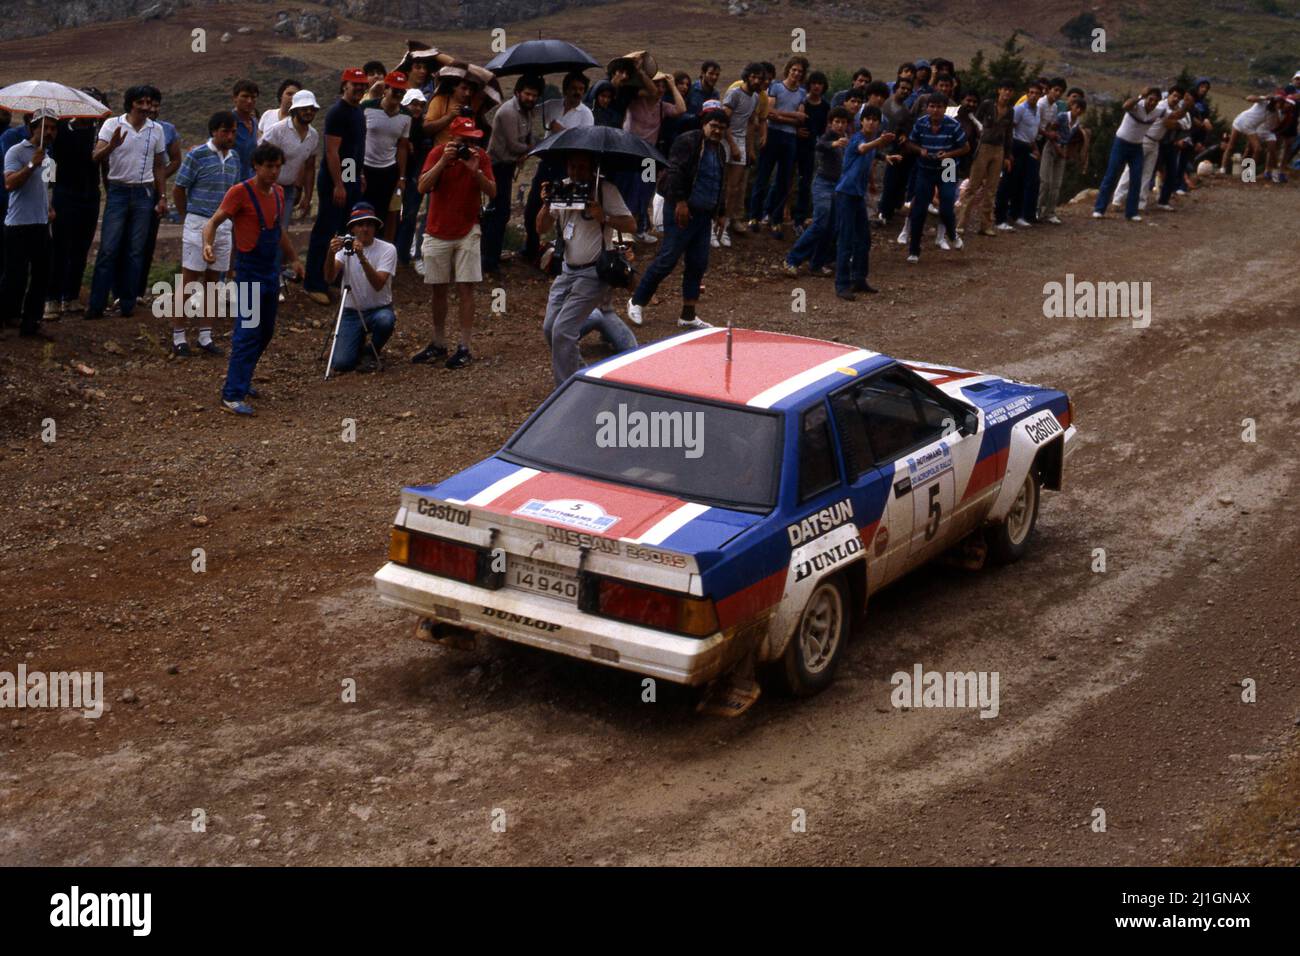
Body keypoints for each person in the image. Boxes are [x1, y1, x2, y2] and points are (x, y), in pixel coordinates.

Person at [202, 142, 304, 416]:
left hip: (271, 270)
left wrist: (293, 258)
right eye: (268, 166)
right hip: (248, 272)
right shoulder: (240, 193)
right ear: (256, 166)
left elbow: (279, 231)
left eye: (277, 166)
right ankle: (232, 394)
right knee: (248, 331)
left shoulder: (280, 193)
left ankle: (244, 380)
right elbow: (213, 222)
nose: (273, 172)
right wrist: (208, 245)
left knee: (265, 330)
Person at [537, 150, 637, 385]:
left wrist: (604, 217)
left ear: (593, 168)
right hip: (567, 269)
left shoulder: (605, 190)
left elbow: (631, 223)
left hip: (593, 272)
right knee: (550, 327)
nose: (576, 173)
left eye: (582, 168)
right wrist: (546, 204)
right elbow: (541, 228)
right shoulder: (562, 187)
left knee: (563, 330)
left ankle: (567, 387)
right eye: (572, 167)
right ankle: (581, 375)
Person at [625, 101, 728, 330]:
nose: (718, 130)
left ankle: (688, 314)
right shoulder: (689, 141)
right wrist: (680, 201)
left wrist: (721, 212)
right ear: (704, 124)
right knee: (668, 258)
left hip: (704, 214)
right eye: (714, 125)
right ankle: (637, 300)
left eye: (722, 127)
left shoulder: (720, 150)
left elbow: (720, 182)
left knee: (698, 263)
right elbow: (676, 172)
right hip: (681, 210)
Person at [412, 116, 496, 370]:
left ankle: (465, 346)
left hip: (467, 229)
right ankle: (438, 341)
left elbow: (493, 192)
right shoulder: (438, 153)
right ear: (452, 138)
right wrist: (443, 162)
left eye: (472, 141)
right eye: (463, 141)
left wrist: (476, 172)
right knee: (438, 288)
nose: (468, 146)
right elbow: (422, 187)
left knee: (465, 288)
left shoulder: (481, 158)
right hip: (438, 229)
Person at [85, 86, 168, 320]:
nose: (145, 107)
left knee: (135, 250)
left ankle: (127, 303)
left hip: (144, 193)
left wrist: (162, 196)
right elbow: (95, 156)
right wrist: (112, 146)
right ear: (131, 103)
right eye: (140, 102)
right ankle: (96, 305)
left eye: (148, 103)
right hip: (118, 191)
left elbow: (159, 164)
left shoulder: (157, 130)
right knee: (108, 248)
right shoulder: (113, 124)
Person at [172, 111, 240, 356]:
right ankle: (179, 335)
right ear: (214, 131)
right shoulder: (197, 155)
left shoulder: (234, 159)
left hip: (223, 224)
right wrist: (186, 216)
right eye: (225, 131)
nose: (230, 136)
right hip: (199, 220)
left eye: (233, 131)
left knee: (214, 281)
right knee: (190, 280)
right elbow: (179, 188)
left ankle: (205, 335)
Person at [304, 68, 369, 304]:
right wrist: (340, 184)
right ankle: (313, 283)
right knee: (326, 230)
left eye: (363, 85)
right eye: (355, 85)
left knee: (344, 230)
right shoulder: (337, 112)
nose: (359, 89)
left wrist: (356, 175)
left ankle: (331, 278)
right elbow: (332, 152)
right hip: (334, 181)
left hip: (349, 177)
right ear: (345, 85)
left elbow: (352, 150)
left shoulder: (357, 111)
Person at [1, 108, 58, 339]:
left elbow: (47, 188)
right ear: (32, 128)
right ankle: (4, 318)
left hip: (41, 224)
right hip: (18, 224)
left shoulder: (50, 158)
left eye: (54, 129)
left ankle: (31, 321)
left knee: (41, 275)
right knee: (14, 275)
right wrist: (32, 164)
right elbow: (10, 184)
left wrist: (50, 208)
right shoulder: (16, 151)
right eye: (46, 128)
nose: (50, 133)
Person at [44, 98, 102, 318]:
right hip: (64, 192)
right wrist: (48, 195)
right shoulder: (60, 128)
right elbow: (50, 161)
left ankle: (71, 297)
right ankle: (51, 298)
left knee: (81, 247)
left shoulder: (99, 134)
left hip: (90, 194)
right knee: (59, 247)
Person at [325, 202, 397, 373]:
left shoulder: (388, 249)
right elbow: (329, 278)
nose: (365, 229)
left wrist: (362, 258)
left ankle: (371, 350)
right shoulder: (345, 249)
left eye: (369, 224)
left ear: (375, 227)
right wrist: (330, 252)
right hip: (351, 312)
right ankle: (356, 342)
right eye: (360, 225)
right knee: (342, 364)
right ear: (352, 229)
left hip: (379, 308)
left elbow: (378, 284)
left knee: (386, 320)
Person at [480, 74, 541, 273]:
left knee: (498, 211)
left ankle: (491, 255)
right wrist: (532, 148)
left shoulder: (526, 111)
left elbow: (528, 136)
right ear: (517, 93)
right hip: (498, 165)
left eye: (534, 95)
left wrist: (528, 147)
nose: (531, 98)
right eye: (527, 94)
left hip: (507, 166)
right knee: (499, 212)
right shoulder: (508, 112)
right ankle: (489, 260)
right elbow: (515, 145)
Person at [833, 105, 895, 297]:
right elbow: (862, 148)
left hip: (858, 195)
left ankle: (859, 279)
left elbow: (872, 152)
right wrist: (879, 142)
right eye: (867, 118)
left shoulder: (870, 142)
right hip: (846, 194)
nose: (871, 122)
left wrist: (886, 156)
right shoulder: (857, 139)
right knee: (846, 240)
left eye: (875, 119)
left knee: (864, 239)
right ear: (861, 121)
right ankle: (842, 285)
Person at [783, 105, 851, 277]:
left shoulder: (848, 139)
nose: (840, 126)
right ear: (830, 123)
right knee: (820, 222)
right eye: (837, 122)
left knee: (832, 227)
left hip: (839, 186)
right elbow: (820, 145)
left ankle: (817, 263)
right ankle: (792, 260)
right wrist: (834, 143)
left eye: (843, 122)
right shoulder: (828, 137)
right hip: (823, 184)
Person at [903, 92, 968, 263]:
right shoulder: (920, 123)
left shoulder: (953, 125)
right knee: (919, 209)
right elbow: (910, 143)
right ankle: (914, 250)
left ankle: (952, 234)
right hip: (925, 168)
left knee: (946, 206)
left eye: (939, 107)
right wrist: (920, 151)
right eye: (932, 106)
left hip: (948, 166)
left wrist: (948, 154)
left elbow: (965, 147)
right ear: (926, 108)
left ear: (945, 109)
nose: (935, 110)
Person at [748, 56, 808, 238]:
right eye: (794, 69)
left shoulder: (801, 93)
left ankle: (776, 219)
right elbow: (770, 113)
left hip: (790, 138)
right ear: (788, 70)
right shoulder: (776, 87)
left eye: (800, 71)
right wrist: (790, 116)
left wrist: (783, 117)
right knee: (763, 175)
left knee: (783, 180)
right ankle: (754, 216)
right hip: (773, 134)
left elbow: (801, 118)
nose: (796, 73)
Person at [624, 70, 684, 242]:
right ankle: (627, 229)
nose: (660, 89)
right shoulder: (635, 102)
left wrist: (672, 85)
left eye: (662, 86)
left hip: (648, 155)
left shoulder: (662, 107)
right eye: (656, 85)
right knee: (631, 190)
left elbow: (681, 109)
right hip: (630, 151)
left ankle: (640, 228)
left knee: (646, 190)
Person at [1093, 88, 1164, 221]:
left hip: (1137, 146)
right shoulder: (1136, 106)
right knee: (1112, 174)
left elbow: (1172, 114)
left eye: (1155, 100)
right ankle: (1099, 209)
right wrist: (1140, 96)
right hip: (1121, 143)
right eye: (1150, 99)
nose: (1152, 102)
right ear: (1146, 98)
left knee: (1136, 178)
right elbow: (1125, 105)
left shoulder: (1158, 112)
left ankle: (1131, 212)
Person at [1114, 87, 1187, 215]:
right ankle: (1118, 200)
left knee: (1147, 173)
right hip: (1145, 139)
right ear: (1168, 95)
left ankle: (1141, 203)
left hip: (1156, 143)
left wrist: (1186, 108)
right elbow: (1169, 122)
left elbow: (1181, 120)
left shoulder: (1169, 109)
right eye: (1174, 96)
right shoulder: (1161, 105)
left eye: (1179, 98)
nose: (1176, 99)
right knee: (1130, 170)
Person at [717, 63, 764, 248]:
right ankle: (713, 225)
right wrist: (732, 145)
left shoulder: (755, 98)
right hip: (725, 139)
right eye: (753, 76)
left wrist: (749, 147)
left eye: (759, 78)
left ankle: (725, 226)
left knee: (734, 188)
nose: (757, 80)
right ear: (747, 76)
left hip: (741, 140)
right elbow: (723, 120)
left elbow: (751, 123)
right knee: (719, 183)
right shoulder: (734, 93)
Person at [958, 80, 1013, 237]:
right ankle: (960, 223)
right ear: (999, 90)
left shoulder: (1010, 110)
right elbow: (976, 122)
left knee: (991, 189)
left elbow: (1009, 133)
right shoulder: (988, 105)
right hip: (983, 146)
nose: (1007, 93)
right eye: (1005, 89)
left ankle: (986, 225)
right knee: (972, 186)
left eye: (1010, 90)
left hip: (999, 148)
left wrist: (1008, 155)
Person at [362, 71, 411, 241]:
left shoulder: (406, 115)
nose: (398, 94)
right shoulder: (367, 107)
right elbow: (354, 140)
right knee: (359, 210)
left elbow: (403, 147)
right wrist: (353, 172)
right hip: (364, 167)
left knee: (382, 213)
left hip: (388, 170)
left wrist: (402, 177)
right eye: (395, 90)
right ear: (386, 89)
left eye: (402, 91)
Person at [261, 89, 320, 225]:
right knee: (265, 228)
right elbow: (260, 157)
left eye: (312, 109)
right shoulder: (278, 130)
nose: (309, 112)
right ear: (295, 110)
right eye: (304, 109)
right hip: (268, 187)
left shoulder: (313, 135)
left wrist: (307, 196)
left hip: (288, 190)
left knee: (282, 230)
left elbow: (310, 167)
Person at [994, 80, 1042, 230]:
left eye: (1037, 93)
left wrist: (1035, 148)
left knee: (1021, 183)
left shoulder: (1037, 110)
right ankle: (1000, 218)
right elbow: (1011, 129)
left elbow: (1032, 132)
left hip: (1028, 148)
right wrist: (1010, 150)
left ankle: (1017, 214)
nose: (1034, 96)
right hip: (1017, 146)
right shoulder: (1020, 109)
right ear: (1027, 94)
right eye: (1031, 93)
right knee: (1008, 182)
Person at [396, 89, 431, 270]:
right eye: (414, 104)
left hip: (415, 178)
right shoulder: (398, 123)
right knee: (394, 214)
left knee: (410, 216)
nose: (417, 109)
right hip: (396, 176)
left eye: (420, 105)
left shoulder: (423, 129)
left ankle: (402, 256)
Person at [1039, 96, 1086, 223]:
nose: (1079, 111)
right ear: (1072, 107)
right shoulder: (1062, 117)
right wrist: (1058, 147)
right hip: (1052, 148)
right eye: (1077, 107)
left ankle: (1050, 212)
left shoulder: (1077, 123)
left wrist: (1068, 152)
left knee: (1056, 184)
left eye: (1081, 109)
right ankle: (1036, 210)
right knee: (1045, 181)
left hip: (1063, 151)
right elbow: (1051, 131)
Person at [877, 76, 915, 225]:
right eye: (903, 88)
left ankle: (885, 212)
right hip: (875, 143)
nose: (905, 91)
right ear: (896, 88)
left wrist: (904, 136)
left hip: (891, 149)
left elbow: (906, 131)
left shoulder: (906, 112)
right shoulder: (884, 103)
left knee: (889, 183)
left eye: (908, 90)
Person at [230, 79, 260, 179]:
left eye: (253, 97)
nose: (249, 101)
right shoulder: (228, 121)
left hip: (250, 180)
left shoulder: (254, 122)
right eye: (245, 96)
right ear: (235, 98)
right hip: (230, 180)